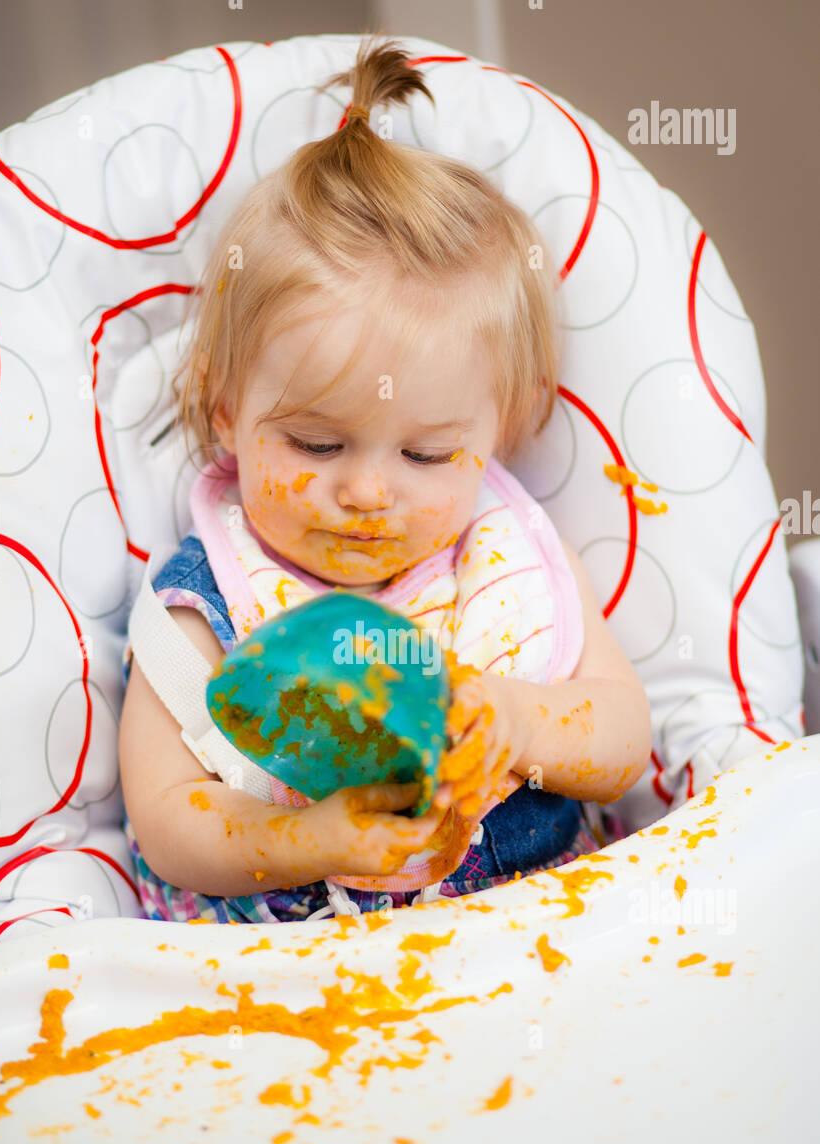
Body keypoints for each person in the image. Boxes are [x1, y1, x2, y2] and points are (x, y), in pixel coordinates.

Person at [118, 33, 651, 925]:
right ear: (221, 409)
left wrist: (519, 724)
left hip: (534, 945)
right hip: (293, 979)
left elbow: (623, 741)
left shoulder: (500, 561)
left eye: (427, 456)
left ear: (501, 431)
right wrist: (308, 838)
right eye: (317, 446)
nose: (367, 494)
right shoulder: (208, 603)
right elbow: (167, 818)